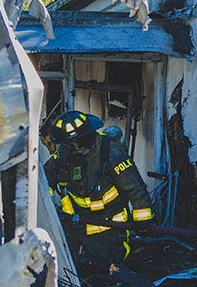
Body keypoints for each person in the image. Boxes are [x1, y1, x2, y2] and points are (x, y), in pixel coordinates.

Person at [44, 110, 153, 272]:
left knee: (110, 276)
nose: (71, 149)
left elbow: (136, 189)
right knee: (79, 276)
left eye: (73, 144)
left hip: (111, 230)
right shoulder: (64, 156)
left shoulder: (112, 154)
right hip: (77, 229)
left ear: (83, 139)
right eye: (66, 144)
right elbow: (43, 183)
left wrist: (142, 223)